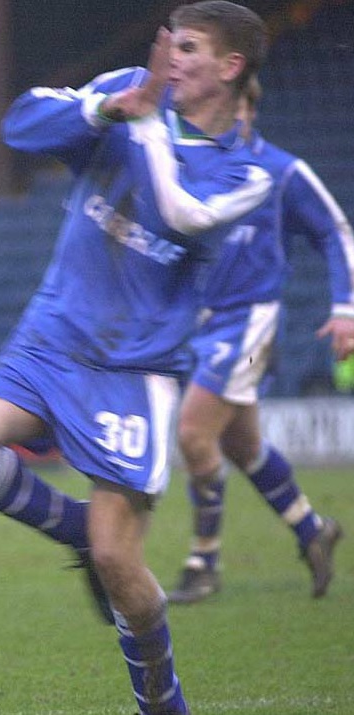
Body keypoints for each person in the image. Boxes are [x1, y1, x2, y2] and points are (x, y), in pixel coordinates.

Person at [0, 4, 272, 714]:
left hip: (133, 372)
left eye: (190, 47)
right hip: (49, 340)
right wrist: (105, 109)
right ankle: (75, 525)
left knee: (121, 564)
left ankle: (161, 699)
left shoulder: (247, 172)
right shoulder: (129, 89)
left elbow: (179, 214)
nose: (171, 55)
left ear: (229, 67)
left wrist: (140, 123)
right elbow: (22, 124)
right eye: (170, 41)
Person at [166, 76, 351, 604]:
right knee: (241, 444)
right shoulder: (194, 166)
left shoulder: (282, 170)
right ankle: (312, 529)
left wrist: (345, 311)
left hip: (252, 329)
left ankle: (204, 560)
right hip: (203, 324)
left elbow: (335, 232)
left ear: (246, 106)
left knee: (193, 431)